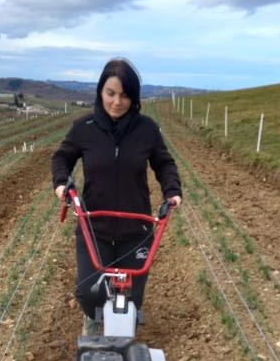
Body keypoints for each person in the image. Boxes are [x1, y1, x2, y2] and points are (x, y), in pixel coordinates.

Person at [51, 57, 182, 326]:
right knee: (89, 292)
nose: (116, 102)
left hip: (136, 228)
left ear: (133, 98)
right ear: (101, 91)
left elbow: (164, 162)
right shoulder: (83, 128)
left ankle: (124, 338)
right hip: (94, 226)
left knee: (132, 298)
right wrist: (62, 184)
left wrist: (172, 190)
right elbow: (61, 158)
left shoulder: (146, 129)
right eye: (110, 93)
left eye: (124, 96)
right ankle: (93, 319)